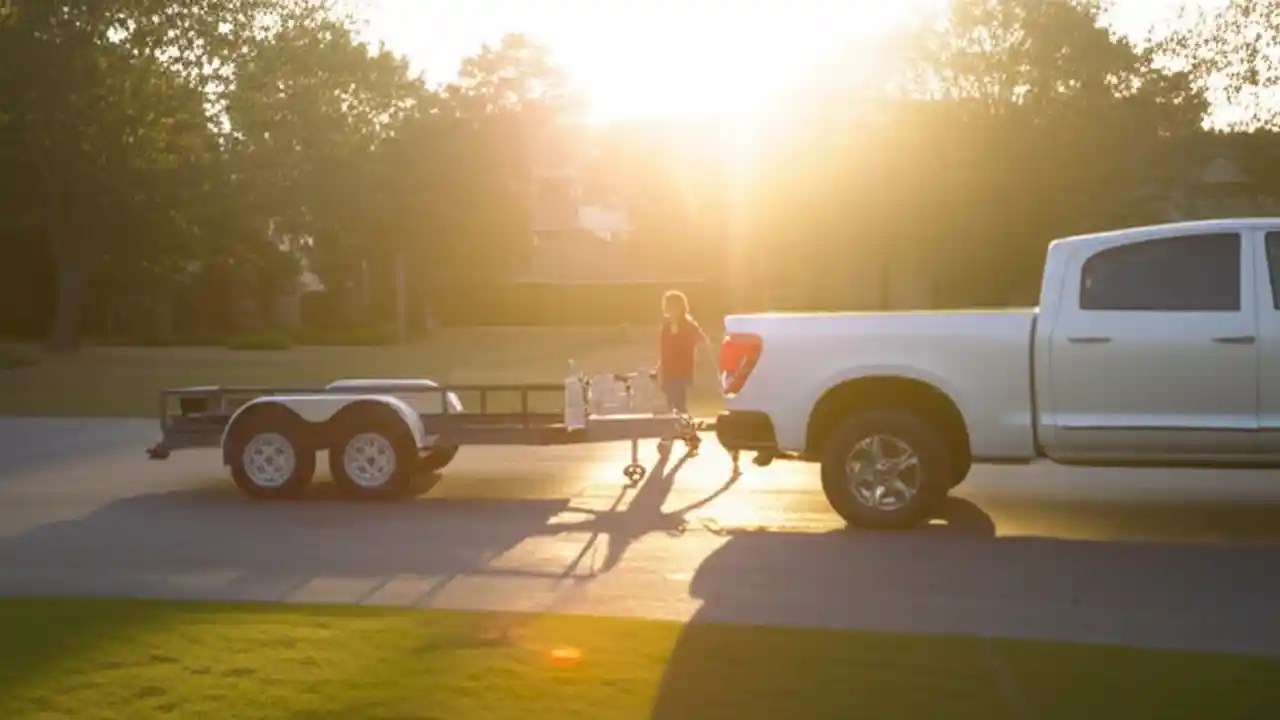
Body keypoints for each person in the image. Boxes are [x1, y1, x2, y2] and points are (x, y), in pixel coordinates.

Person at [655, 289, 713, 420]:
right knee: (672, 406)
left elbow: (703, 341)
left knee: (678, 405)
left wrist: (698, 354)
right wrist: (658, 368)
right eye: (666, 305)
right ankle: (683, 433)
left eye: (671, 305)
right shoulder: (665, 326)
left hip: (681, 371)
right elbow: (665, 350)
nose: (668, 309)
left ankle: (687, 434)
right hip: (668, 371)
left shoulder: (687, 325)